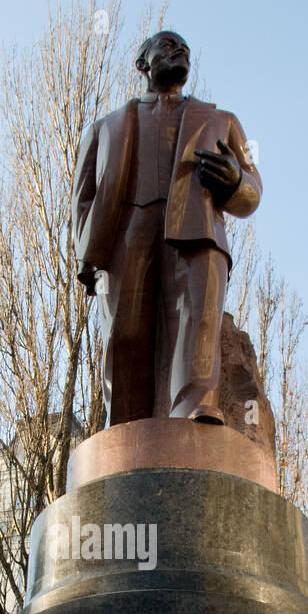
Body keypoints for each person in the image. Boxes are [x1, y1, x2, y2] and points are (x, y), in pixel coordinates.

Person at [72, 30, 262, 426]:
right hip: (128, 233)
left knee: (198, 319)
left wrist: (235, 181)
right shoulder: (105, 128)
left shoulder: (221, 121)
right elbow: (83, 197)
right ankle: (125, 426)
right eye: (170, 45)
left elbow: (252, 186)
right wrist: (86, 254)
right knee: (124, 332)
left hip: (197, 231)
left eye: (186, 50)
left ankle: (194, 407)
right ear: (143, 62)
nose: (181, 52)